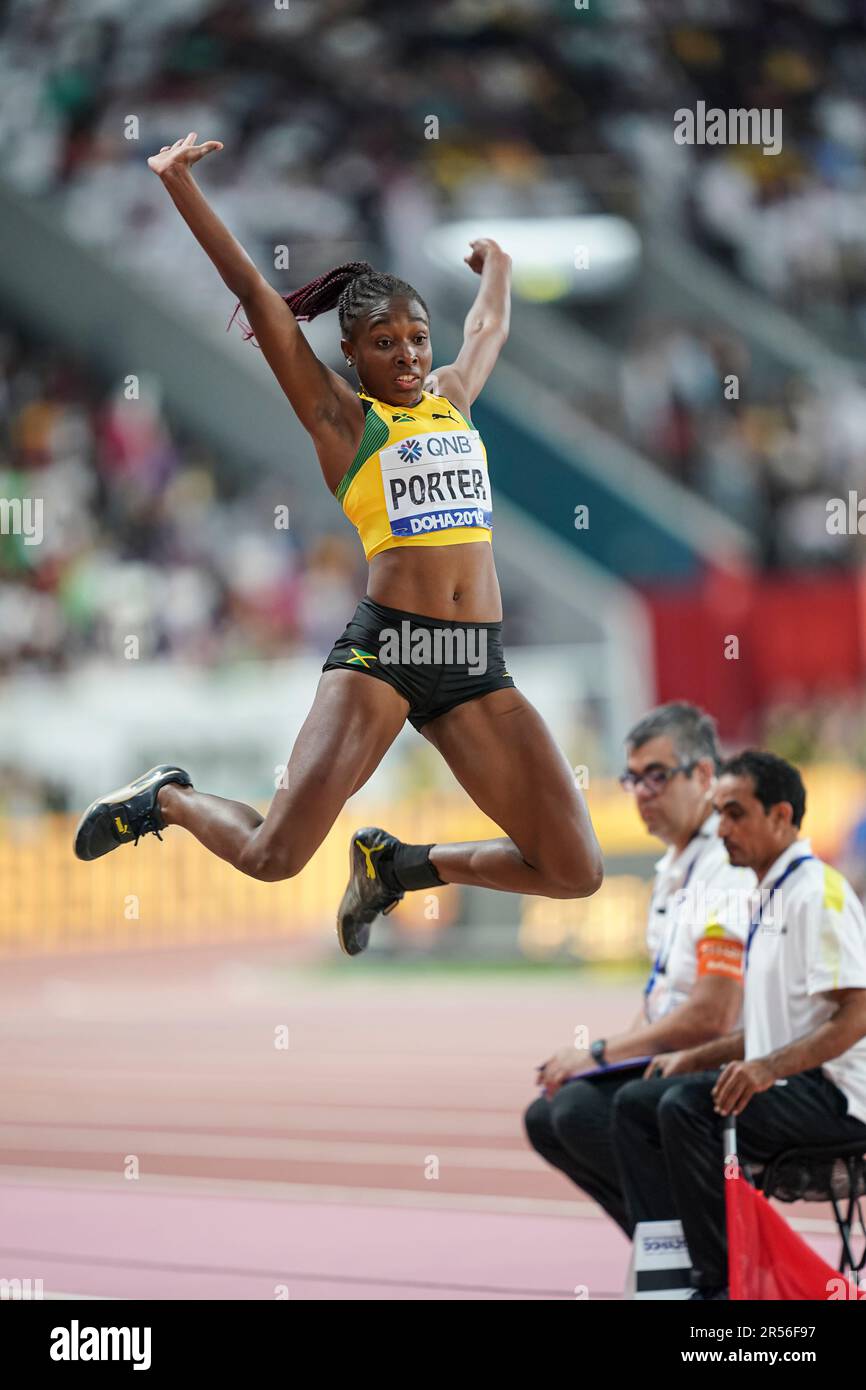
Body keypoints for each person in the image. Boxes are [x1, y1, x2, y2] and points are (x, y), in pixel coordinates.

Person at [72, 131, 603, 956]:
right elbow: (254, 294)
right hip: (383, 658)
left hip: (474, 664)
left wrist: (497, 261)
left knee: (574, 869)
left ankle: (398, 868)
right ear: (350, 353)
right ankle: (168, 799)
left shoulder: (453, 399)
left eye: (418, 338)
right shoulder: (341, 419)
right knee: (273, 855)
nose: (409, 355)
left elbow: (489, 328)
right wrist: (177, 184)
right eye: (386, 343)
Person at [612, 750, 866, 1299]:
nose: (721, 827)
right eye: (718, 813)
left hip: (840, 1098)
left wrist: (762, 1069)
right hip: (793, 1080)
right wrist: (696, 1058)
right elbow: (777, 1025)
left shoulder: (818, 893)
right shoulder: (766, 895)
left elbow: (858, 1013)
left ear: (780, 815)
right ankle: (671, 1271)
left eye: (735, 813)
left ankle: (721, 1285)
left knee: (688, 1109)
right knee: (636, 1102)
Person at [525, 702, 754, 1234]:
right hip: (680, 1061)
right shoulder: (675, 867)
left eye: (657, 776)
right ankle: (670, 1247)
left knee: (582, 1110)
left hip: (728, 1064)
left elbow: (713, 1015)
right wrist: (597, 1060)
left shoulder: (728, 866)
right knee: (549, 1115)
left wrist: (601, 1053)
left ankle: (700, 1252)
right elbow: (663, 1004)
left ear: (702, 774)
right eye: (633, 779)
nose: (644, 793)